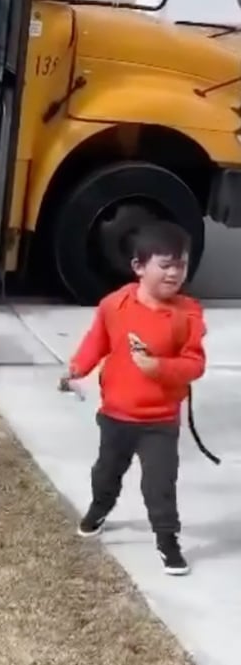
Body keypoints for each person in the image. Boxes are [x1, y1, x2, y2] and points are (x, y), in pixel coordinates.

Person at [60, 221, 206, 576]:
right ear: (139, 267)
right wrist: (77, 368)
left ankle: (167, 539)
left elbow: (194, 364)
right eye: (166, 264)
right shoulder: (115, 304)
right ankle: (99, 508)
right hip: (116, 415)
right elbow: (98, 341)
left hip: (159, 421)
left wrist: (159, 368)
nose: (175, 273)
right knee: (106, 472)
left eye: (181, 265)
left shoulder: (188, 313)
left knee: (159, 484)